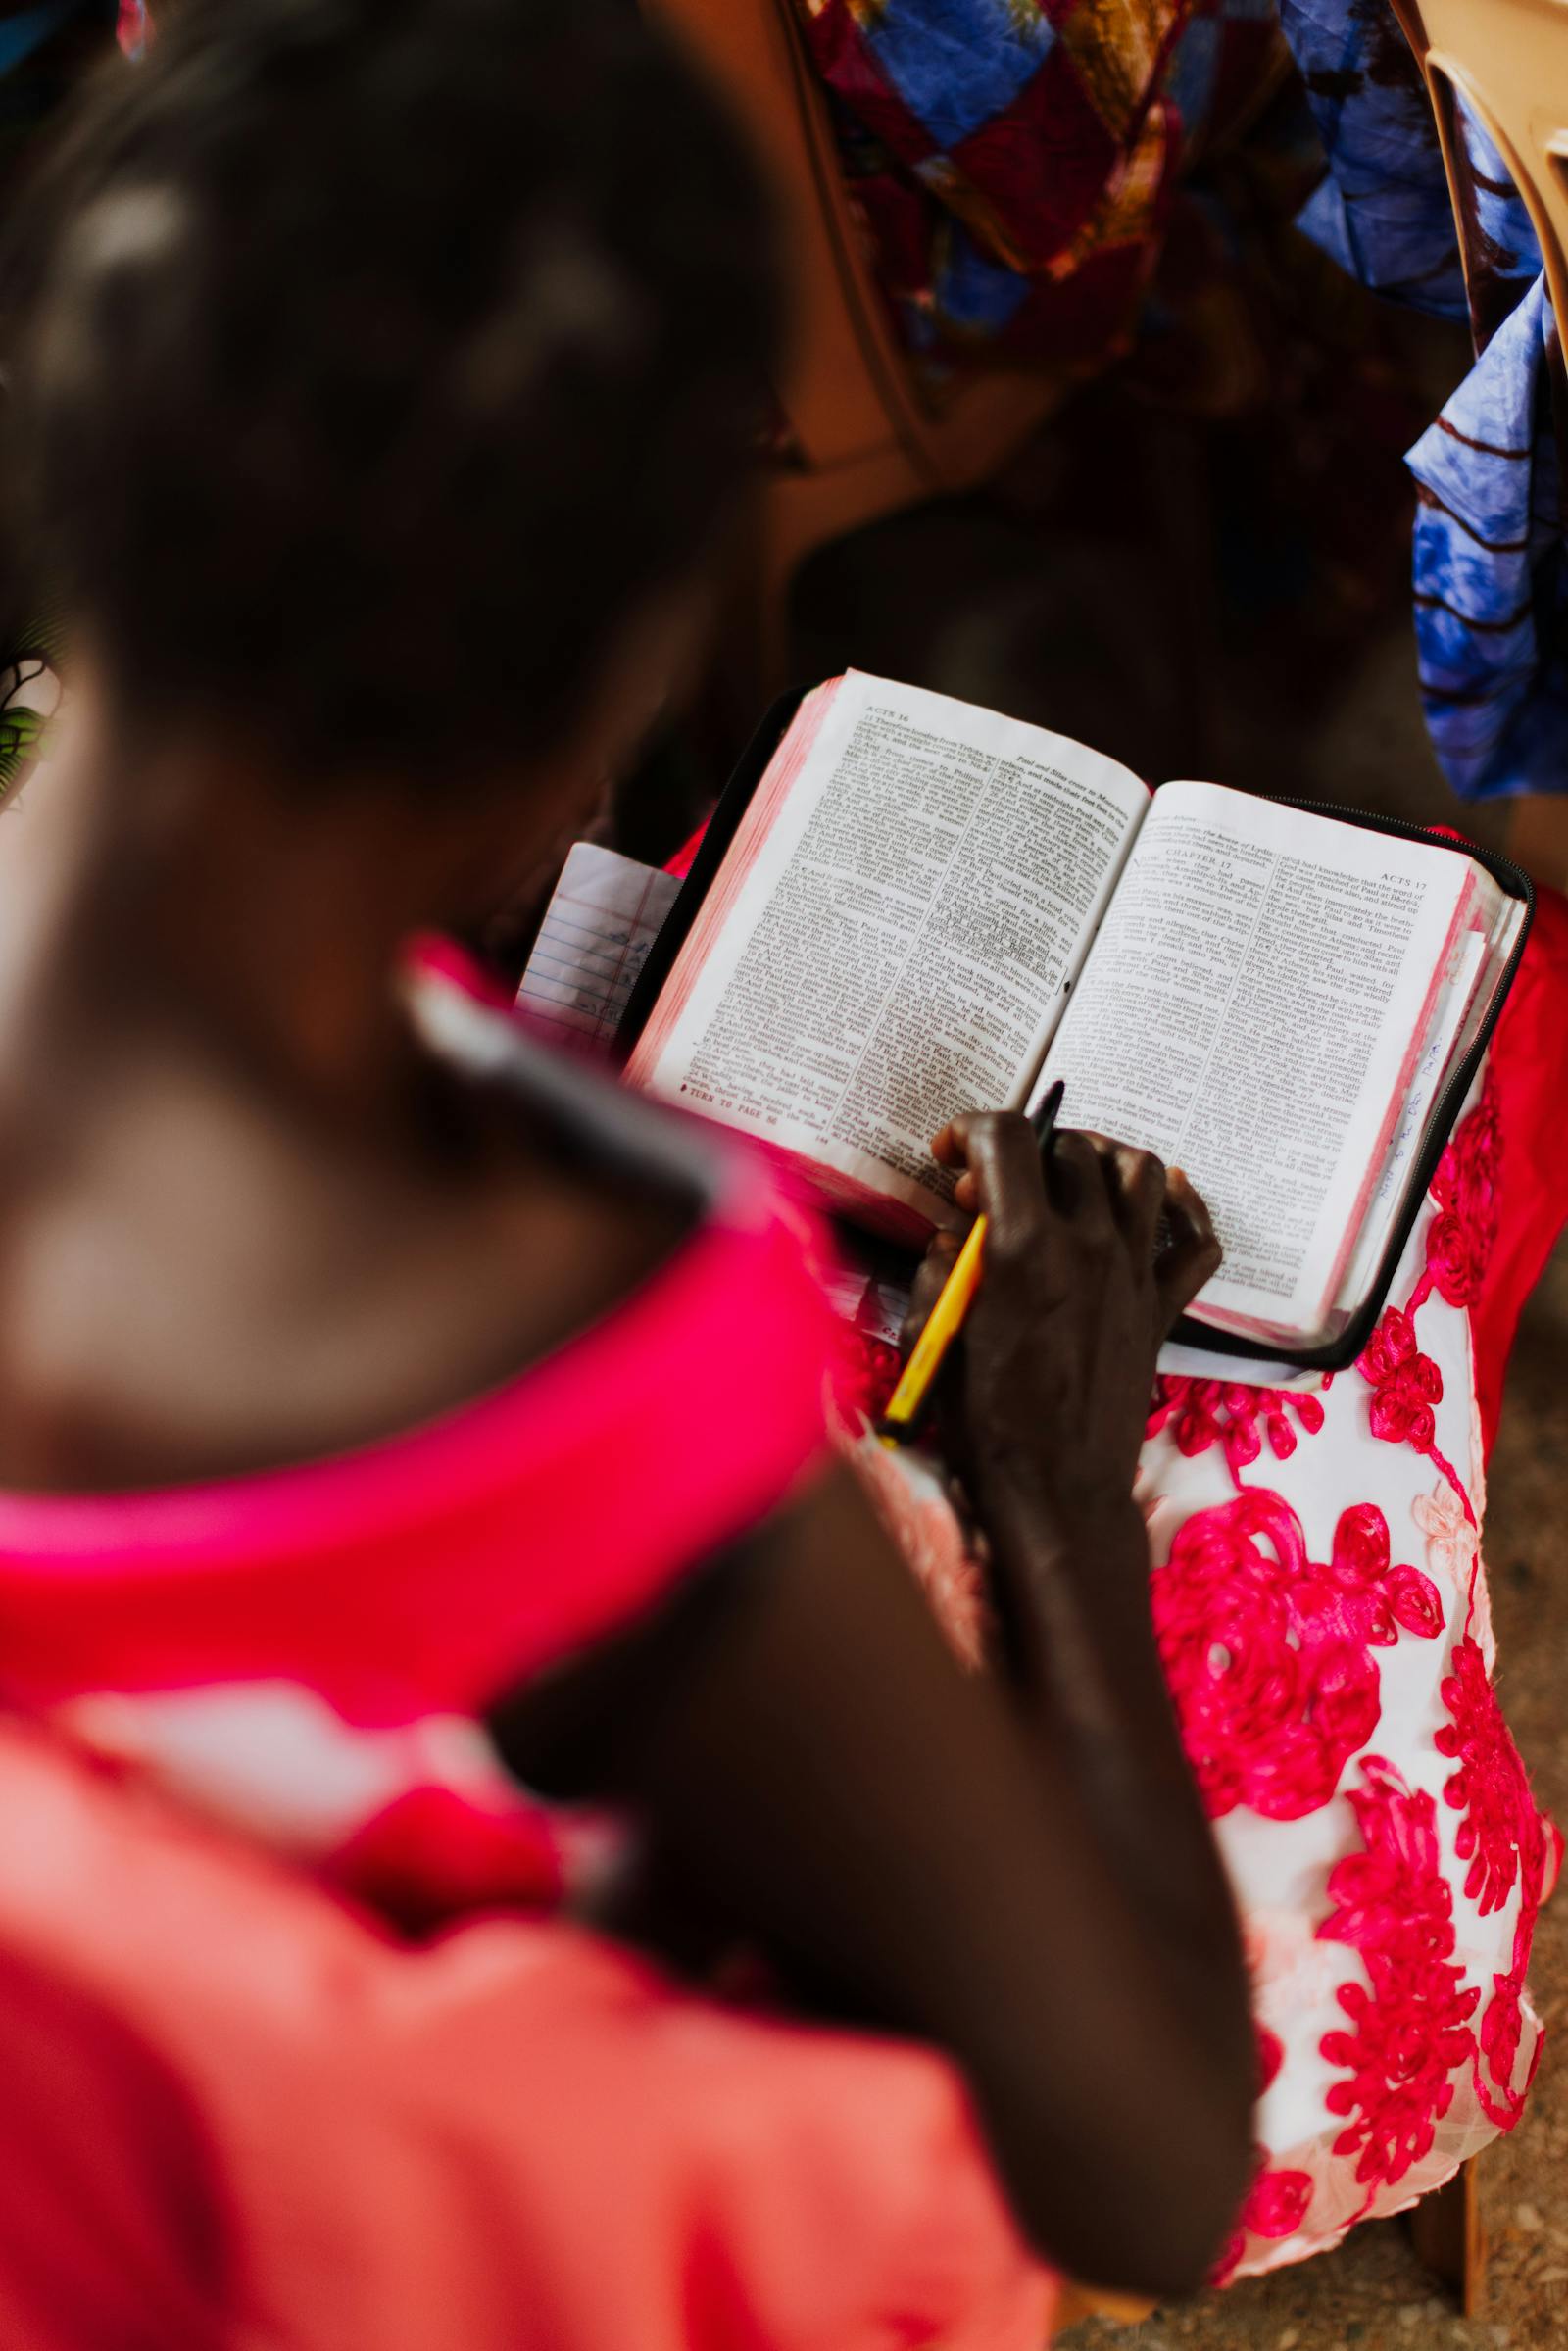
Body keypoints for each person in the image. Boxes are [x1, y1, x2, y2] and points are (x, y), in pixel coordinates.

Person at [0, 0, 1256, 2340]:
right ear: (587, 684)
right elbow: (1149, 2166)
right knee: (1312, 1513)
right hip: (414, 2238)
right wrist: (1052, 1479)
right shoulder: (564, 1373)